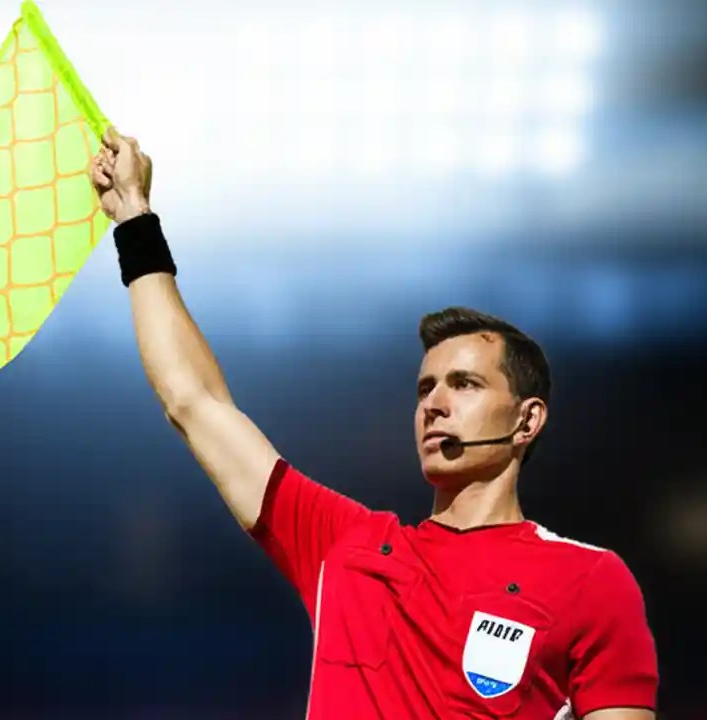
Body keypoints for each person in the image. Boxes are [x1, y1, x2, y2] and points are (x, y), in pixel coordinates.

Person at [89, 127, 658, 720]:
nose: (433, 404)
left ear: (526, 420)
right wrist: (134, 218)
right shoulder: (346, 549)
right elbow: (194, 401)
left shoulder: (589, 579)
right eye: (424, 388)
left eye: (464, 384)